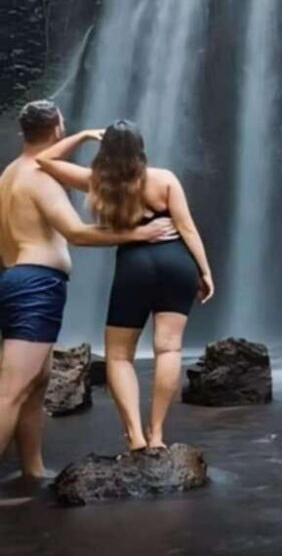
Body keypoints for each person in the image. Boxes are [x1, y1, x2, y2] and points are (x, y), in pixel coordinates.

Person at [0, 101, 174, 477]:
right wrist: (137, 233)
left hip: (16, 278)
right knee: (11, 390)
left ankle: (33, 469)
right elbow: (77, 233)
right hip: (36, 286)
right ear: (57, 131)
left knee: (36, 385)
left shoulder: (9, 174)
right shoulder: (38, 177)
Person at [36, 119, 214, 451]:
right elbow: (187, 229)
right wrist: (204, 272)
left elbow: (44, 161)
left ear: (105, 152)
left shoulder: (96, 182)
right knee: (169, 348)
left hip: (136, 264)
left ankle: (135, 436)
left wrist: (83, 136)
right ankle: (158, 434)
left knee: (118, 356)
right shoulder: (165, 180)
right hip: (177, 261)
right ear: (140, 148)